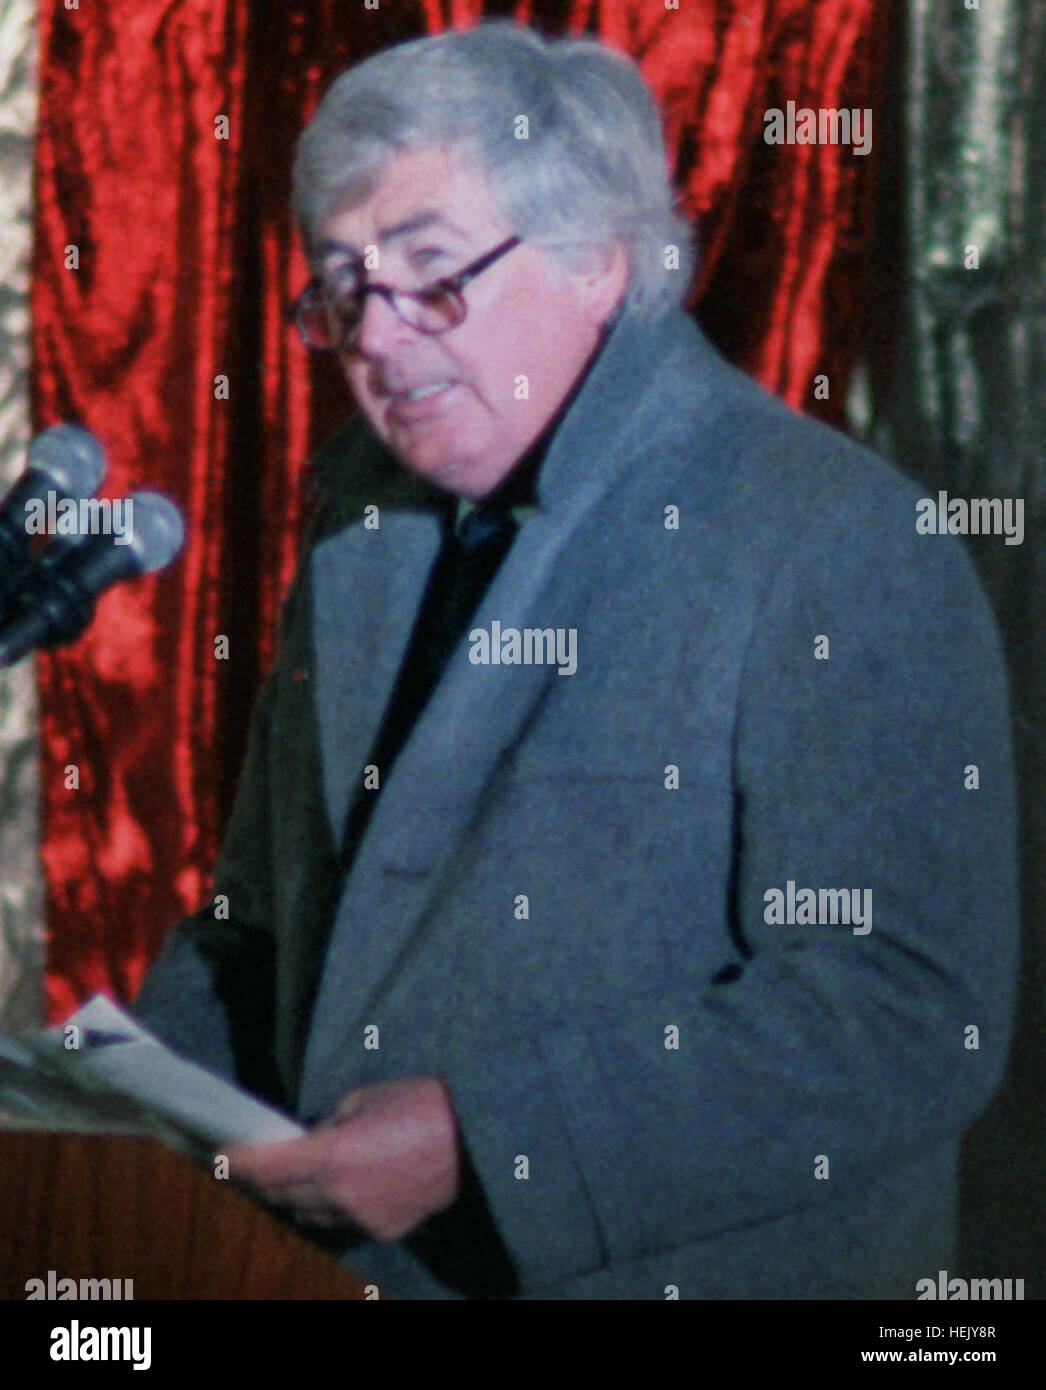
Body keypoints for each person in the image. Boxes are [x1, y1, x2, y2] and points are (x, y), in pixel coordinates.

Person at [134, 22, 1019, 1300]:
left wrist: (482, 1143)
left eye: (430, 272)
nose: (372, 339)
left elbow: (904, 1010)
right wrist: (119, 1094)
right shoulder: (360, 523)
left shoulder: (834, 538)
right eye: (340, 286)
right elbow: (256, 926)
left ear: (599, 260)